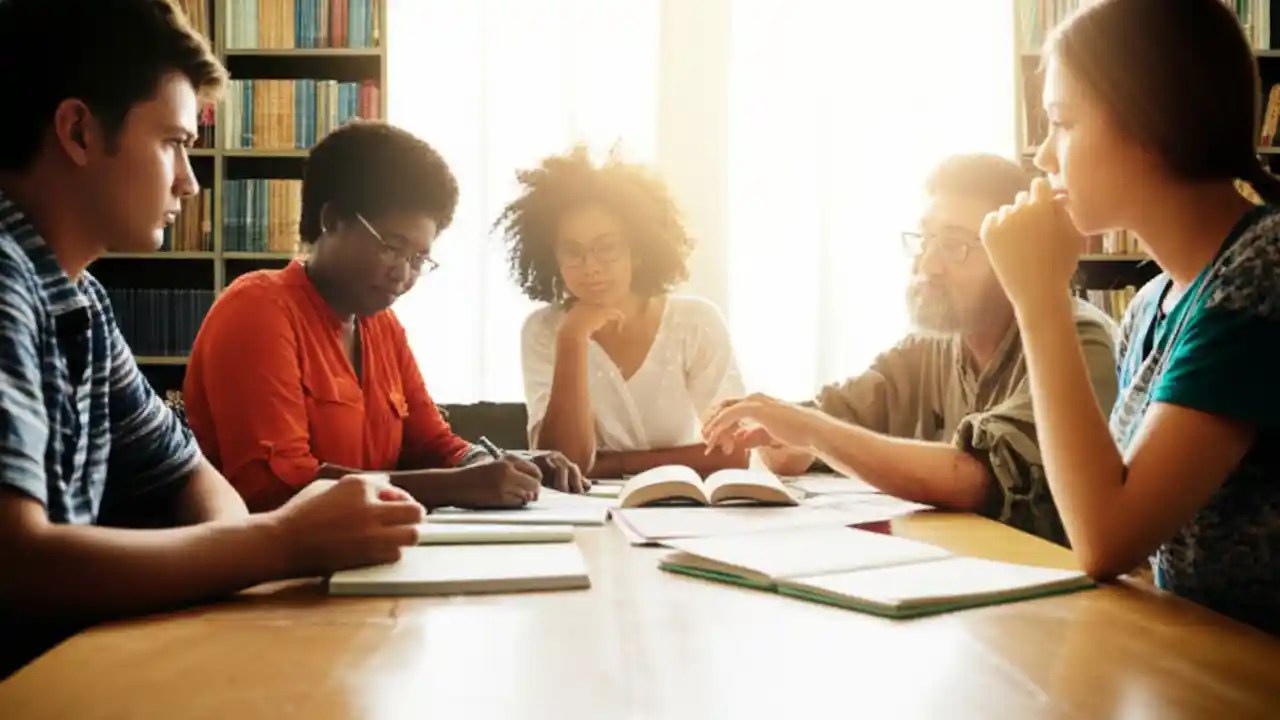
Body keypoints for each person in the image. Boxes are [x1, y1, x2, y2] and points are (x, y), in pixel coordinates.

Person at [0, 0, 424, 679]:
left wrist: (255, 542)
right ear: (79, 131)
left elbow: (191, 473)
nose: (190, 183)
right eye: (172, 143)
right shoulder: (5, 280)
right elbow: (15, 564)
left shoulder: (79, 296)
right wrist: (276, 544)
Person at [980, 0, 1280, 632]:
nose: (1044, 159)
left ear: (1151, 125)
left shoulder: (1265, 269)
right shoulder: (1149, 304)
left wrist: (1040, 301)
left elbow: (1106, 539)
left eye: (1061, 122)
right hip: (1197, 658)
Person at [702, 154, 1119, 546]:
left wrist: (811, 432)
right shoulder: (930, 343)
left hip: (1060, 591)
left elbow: (974, 478)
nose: (928, 265)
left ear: (1015, 251)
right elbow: (842, 413)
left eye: (954, 246)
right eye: (925, 240)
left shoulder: (1077, 340)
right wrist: (782, 438)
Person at [184, 121, 588, 513]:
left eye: (418, 258)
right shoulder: (258, 310)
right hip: (269, 571)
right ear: (332, 220)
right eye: (392, 247)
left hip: (363, 556)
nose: (404, 273)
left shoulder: (381, 325)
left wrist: (509, 464)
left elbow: (435, 444)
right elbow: (275, 489)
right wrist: (456, 485)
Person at [497, 147, 748, 478]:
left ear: (638, 250)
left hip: (685, 504)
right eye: (573, 251)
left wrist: (614, 465)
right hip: (587, 513)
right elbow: (562, 464)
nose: (591, 268)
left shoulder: (695, 322)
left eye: (607, 248)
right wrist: (572, 338)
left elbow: (733, 454)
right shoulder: (545, 330)